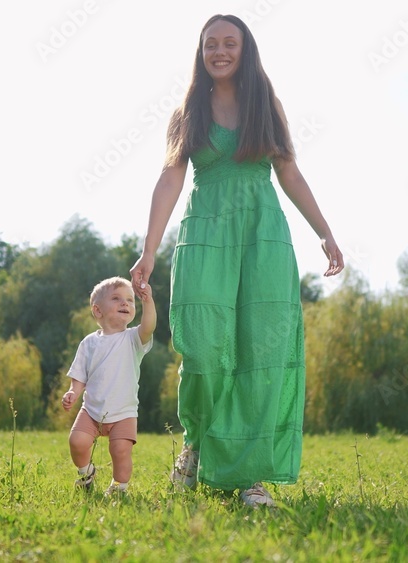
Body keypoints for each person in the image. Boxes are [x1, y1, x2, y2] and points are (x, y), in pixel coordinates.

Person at [129, 14, 344, 507]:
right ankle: (197, 444)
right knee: (204, 351)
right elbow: (169, 179)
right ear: (200, 52)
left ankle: (248, 476)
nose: (220, 51)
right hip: (204, 233)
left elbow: (289, 172)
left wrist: (326, 232)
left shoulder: (265, 104)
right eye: (211, 44)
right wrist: (149, 250)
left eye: (230, 43)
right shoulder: (187, 111)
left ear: (246, 51)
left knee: (259, 353)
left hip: (262, 234)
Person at [61, 276, 156, 496]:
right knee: (76, 441)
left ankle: (118, 487)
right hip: (91, 410)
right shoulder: (89, 343)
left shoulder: (133, 339)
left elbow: (149, 326)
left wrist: (147, 301)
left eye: (130, 300)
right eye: (116, 298)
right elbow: (79, 375)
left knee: (120, 450)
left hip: (124, 412)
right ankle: (86, 473)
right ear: (97, 310)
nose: (125, 303)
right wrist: (73, 392)